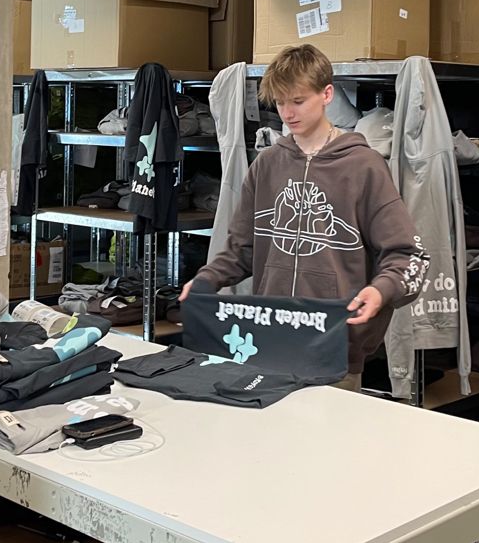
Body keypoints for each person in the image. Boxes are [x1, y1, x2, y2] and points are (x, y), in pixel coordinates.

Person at [180, 44, 429, 391]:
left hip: (335, 348)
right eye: (280, 103)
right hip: (267, 344)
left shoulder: (364, 167)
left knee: (329, 444)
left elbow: (409, 255)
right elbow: (241, 247)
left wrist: (380, 291)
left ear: (326, 94)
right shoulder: (266, 165)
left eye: (298, 101)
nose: (288, 113)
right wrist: (207, 279)